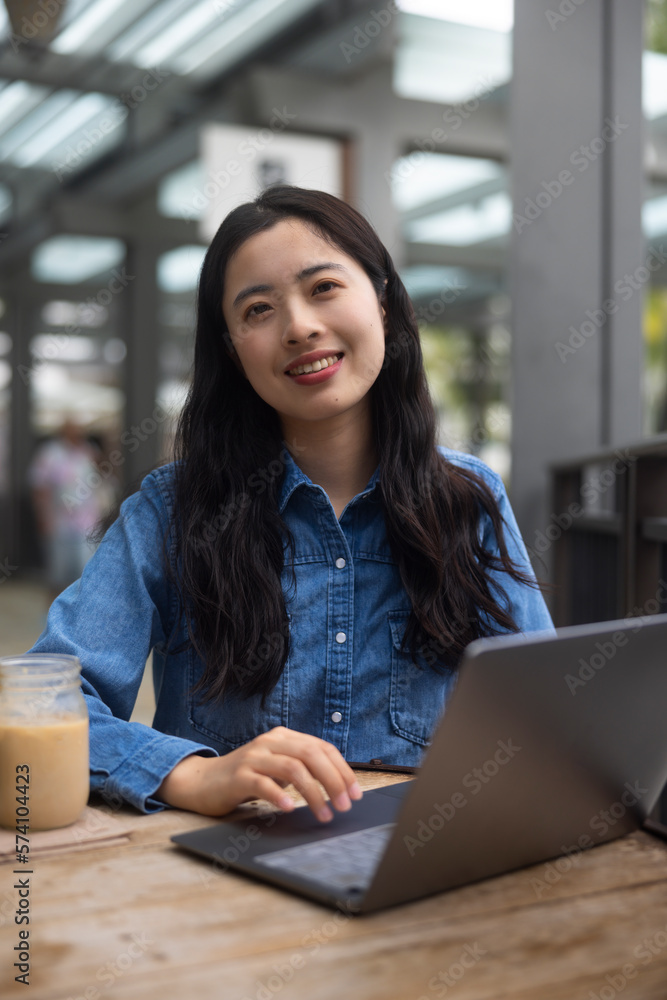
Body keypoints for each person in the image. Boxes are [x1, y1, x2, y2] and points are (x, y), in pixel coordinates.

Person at [29, 185, 553, 826]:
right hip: (222, 884)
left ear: (382, 303)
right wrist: (193, 773)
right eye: (257, 310)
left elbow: (541, 717)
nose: (300, 326)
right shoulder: (172, 513)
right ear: (232, 348)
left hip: (419, 870)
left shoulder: (469, 501)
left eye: (324, 287)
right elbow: (40, 699)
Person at [28, 417, 106, 604]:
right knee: (58, 572)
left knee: (86, 569)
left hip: (87, 522)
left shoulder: (89, 452)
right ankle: (53, 612)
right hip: (60, 521)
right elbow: (40, 486)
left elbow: (103, 476)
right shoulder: (50, 454)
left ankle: (81, 611)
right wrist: (43, 516)